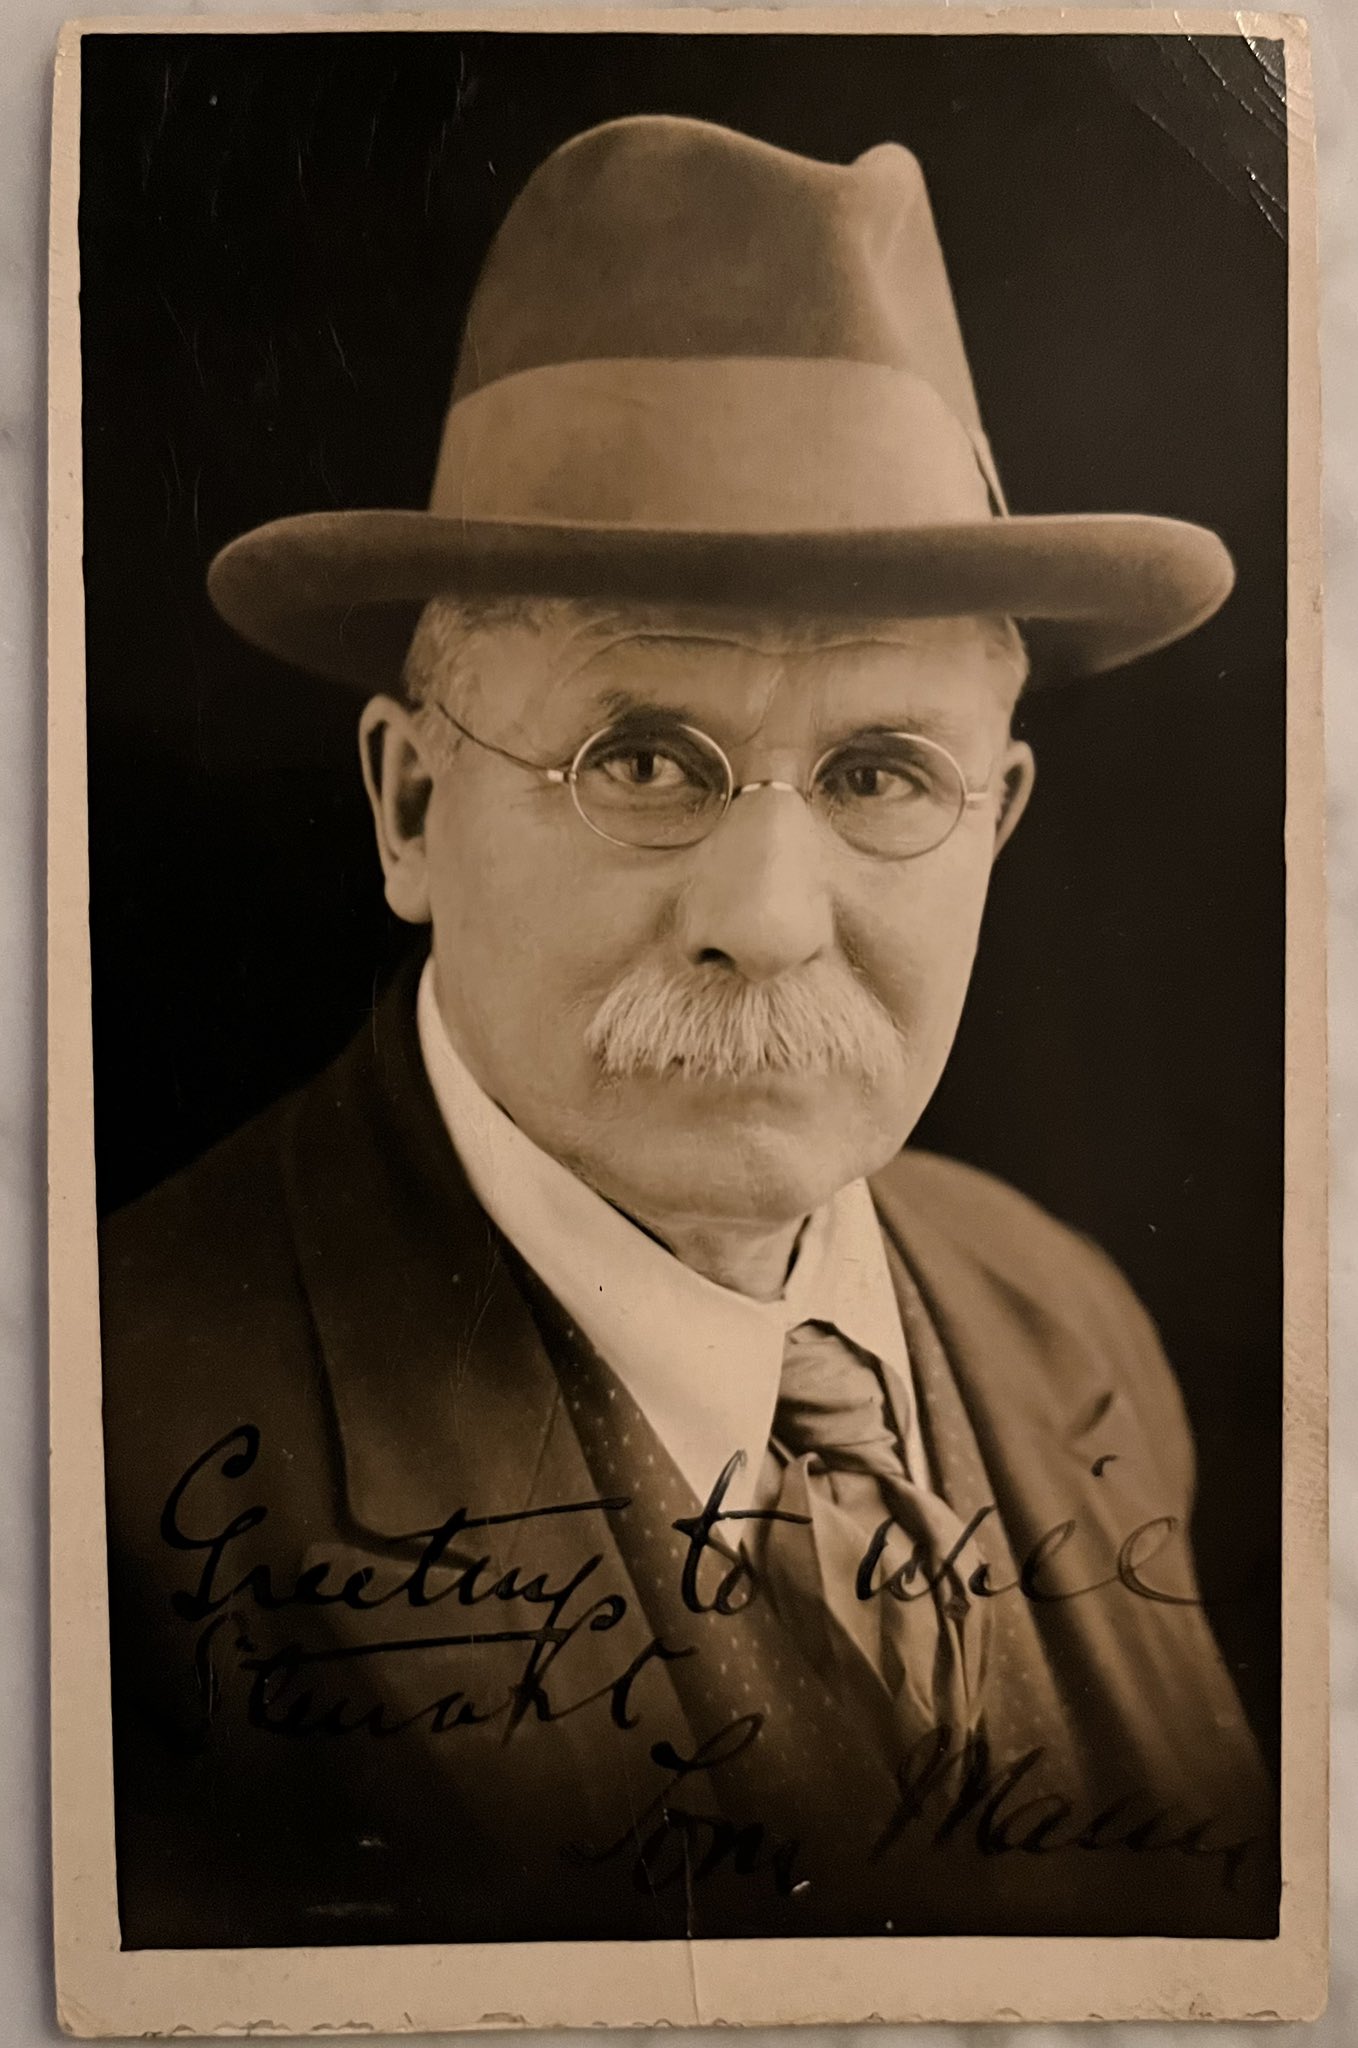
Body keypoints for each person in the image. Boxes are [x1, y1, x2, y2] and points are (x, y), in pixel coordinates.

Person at [99, 113, 1275, 1948]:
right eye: (641, 759)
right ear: (409, 809)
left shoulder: (1067, 1325)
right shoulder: (94, 1464)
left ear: (1001, 821)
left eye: (884, 772)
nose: (765, 915)